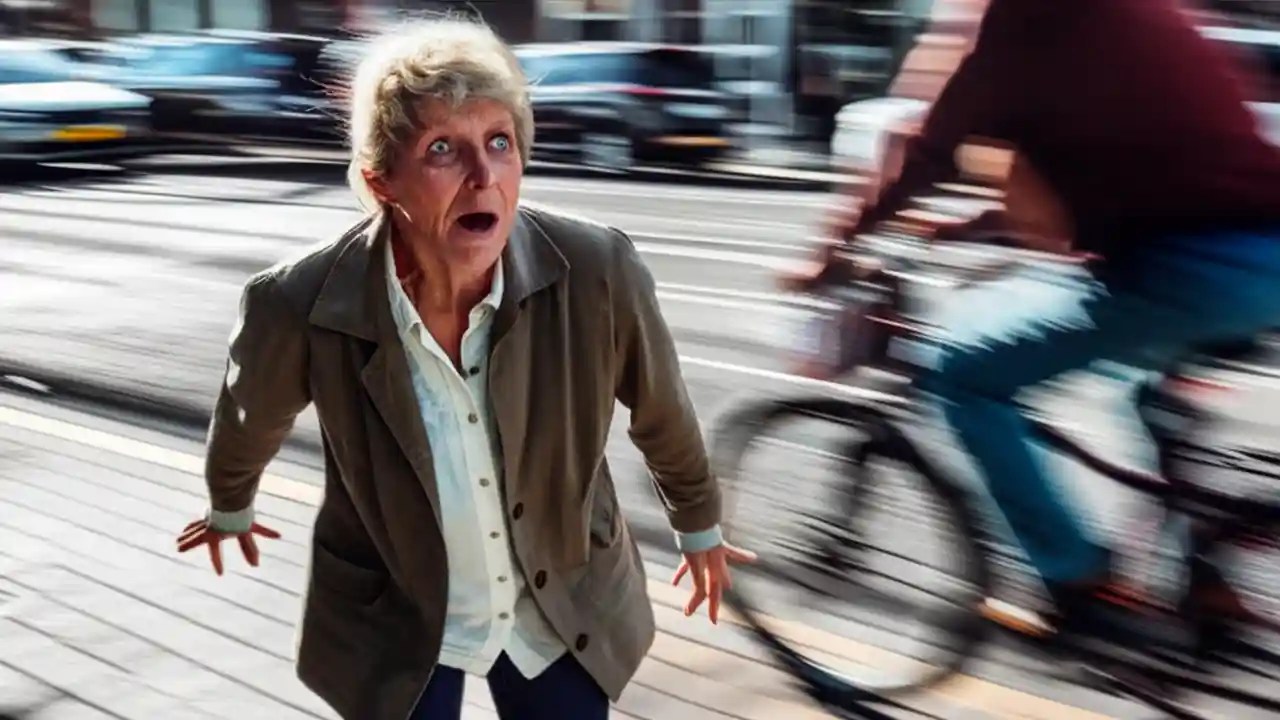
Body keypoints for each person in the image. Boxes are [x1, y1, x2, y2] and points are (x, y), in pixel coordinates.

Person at [173, 17, 754, 720]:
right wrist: (229, 502)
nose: (484, 176)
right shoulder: (298, 302)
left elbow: (662, 409)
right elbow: (249, 413)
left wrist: (698, 523)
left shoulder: (599, 272)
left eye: (500, 143)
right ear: (381, 181)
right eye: (443, 148)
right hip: (398, 607)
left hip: (560, 598)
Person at [793, 0, 1280, 623]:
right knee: (1145, 391)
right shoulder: (1144, 14)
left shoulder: (1027, 17)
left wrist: (833, 254)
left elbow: (929, 152)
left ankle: (1077, 580)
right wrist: (972, 227)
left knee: (960, 373)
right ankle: (1206, 579)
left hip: (1187, 270)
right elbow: (1131, 166)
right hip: (1259, 257)